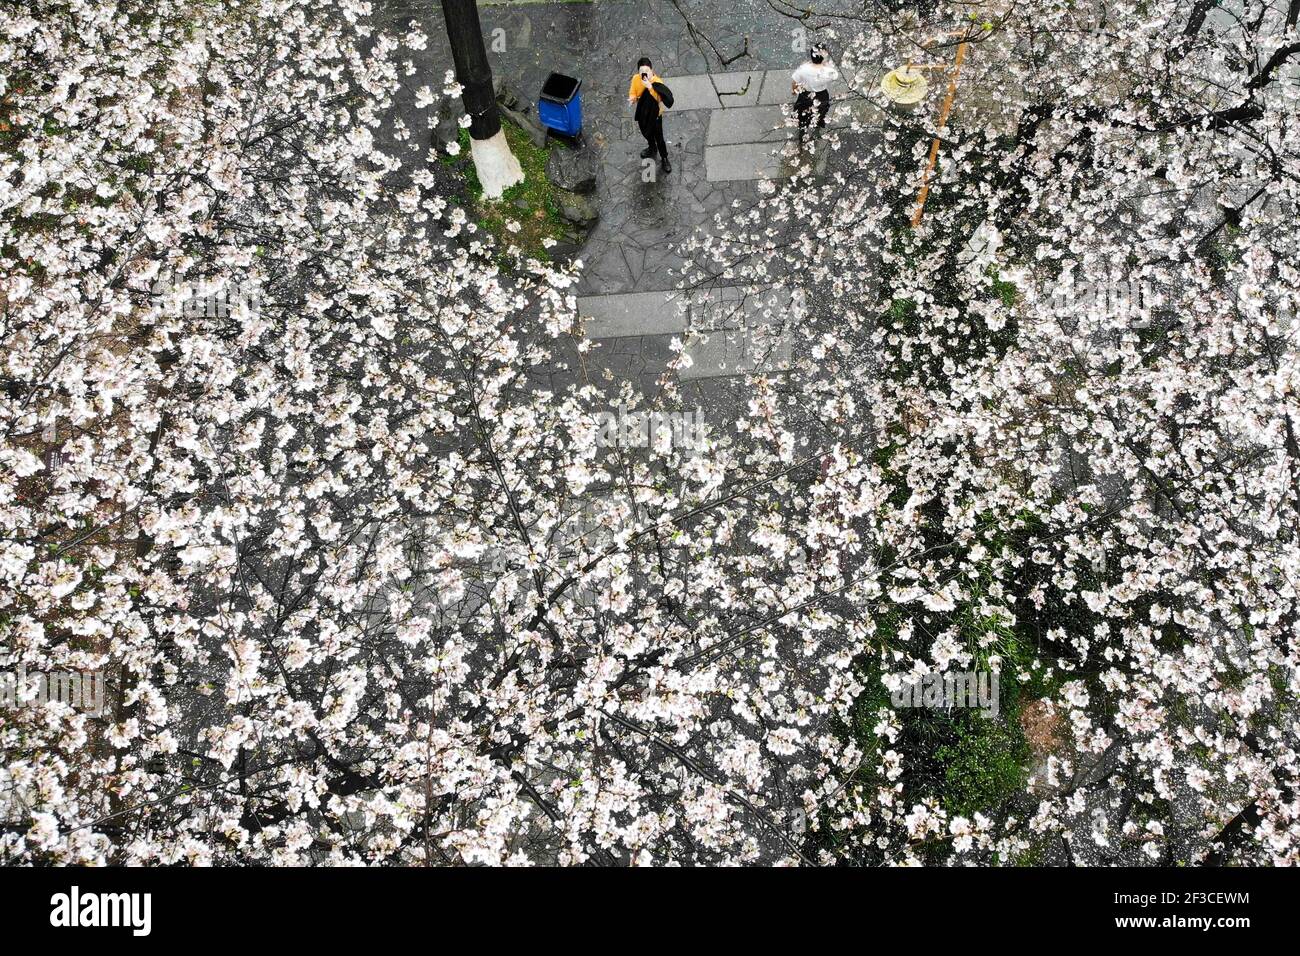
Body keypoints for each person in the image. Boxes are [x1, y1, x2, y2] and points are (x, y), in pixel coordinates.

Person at [628, 56, 673, 173]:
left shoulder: (657, 82)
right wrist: (632, 98)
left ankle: (664, 158)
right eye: (641, 71)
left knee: (660, 138)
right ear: (638, 72)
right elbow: (633, 91)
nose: (644, 74)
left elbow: (659, 99)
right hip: (643, 112)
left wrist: (650, 87)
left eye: (647, 71)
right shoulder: (636, 79)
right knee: (646, 133)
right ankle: (652, 148)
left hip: (656, 115)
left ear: (651, 71)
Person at [791, 44, 839, 147]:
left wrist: (794, 90)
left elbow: (795, 81)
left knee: (803, 115)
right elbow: (835, 76)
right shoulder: (829, 71)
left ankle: (802, 134)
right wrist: (825, 64)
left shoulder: (804, 68)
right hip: (821, 95)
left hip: (805, 95)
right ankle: (816, 131)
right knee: (820, 113)